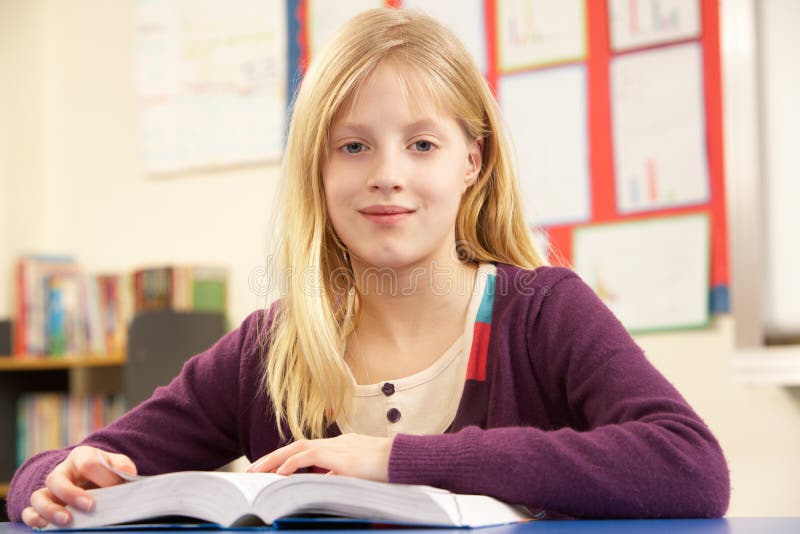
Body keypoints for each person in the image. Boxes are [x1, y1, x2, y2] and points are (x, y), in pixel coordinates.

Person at [8, 8, 729, 526]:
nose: (387, 175)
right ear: (317, 170)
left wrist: (394, 460)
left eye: (421, 145)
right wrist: (53, 480)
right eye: (353, 146)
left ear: (471, 162)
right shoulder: (270, 348)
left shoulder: (542, 311)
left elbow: (690, 465)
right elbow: (58, 471)